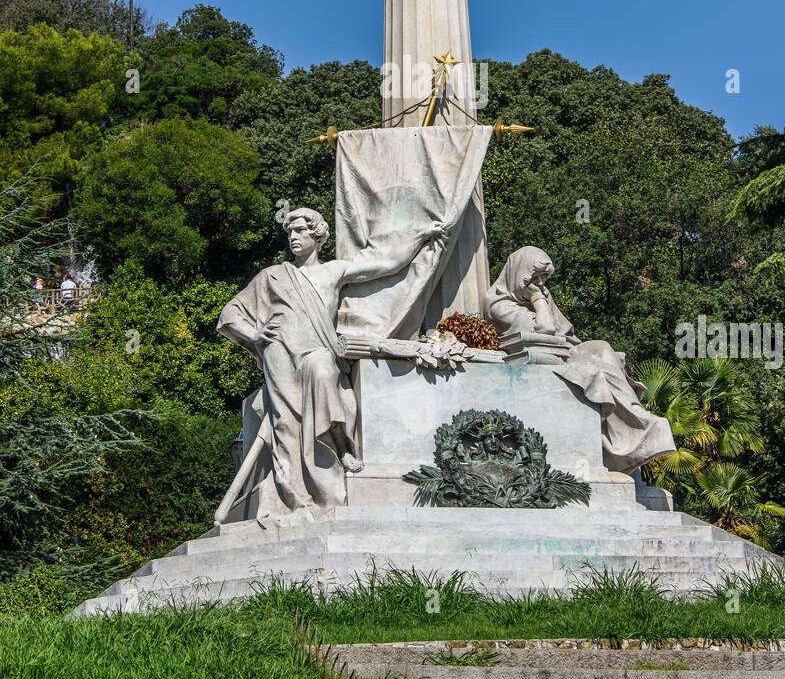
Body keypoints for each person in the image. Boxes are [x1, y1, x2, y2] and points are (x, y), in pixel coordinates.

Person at [218, 206, 447, 520]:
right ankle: (297, 498)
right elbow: (230, 315)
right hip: (279, 352)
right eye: (290, 232)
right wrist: (256, 334)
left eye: (300, 231)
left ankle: (340, 447)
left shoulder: (332, 272)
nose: (293, 238)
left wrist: (420, 235)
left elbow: (386, 263)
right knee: (286, 423)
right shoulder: (272, 276)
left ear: (317, 235)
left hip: (317, 351)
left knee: (324, 369)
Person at [486, 247, 675, 474]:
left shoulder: (540, 293)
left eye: (543, 279)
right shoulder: (498, 302)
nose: (539, 284)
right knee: (596, 365)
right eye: (534, 278)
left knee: (603, 350)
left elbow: (565, 333)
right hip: (538, 355)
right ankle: (636, 431)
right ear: (518, 273)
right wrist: (537, 298)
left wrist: (540, 297)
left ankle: (638, 422)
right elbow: (545, 328)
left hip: (562, 351)